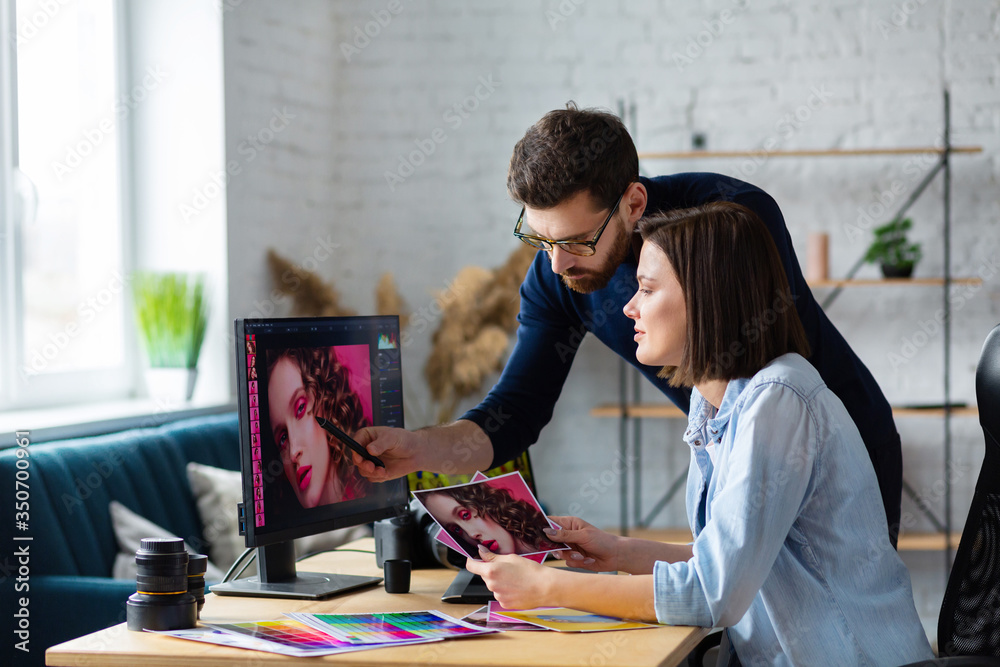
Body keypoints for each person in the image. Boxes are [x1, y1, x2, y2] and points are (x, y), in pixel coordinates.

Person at [352, 103, 903, 545]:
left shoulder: (728, 223)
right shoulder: (556, 278)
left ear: (634, 202)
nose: (557, 263)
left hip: (842, 450)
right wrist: (417, 449)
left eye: (575, 241)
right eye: (541, 240)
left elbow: (758, 380)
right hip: (735, 466)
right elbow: (513, 413)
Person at [466, 203, 933, 665]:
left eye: (646, 290)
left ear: (707, 296)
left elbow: (714, 594)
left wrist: (549, 587)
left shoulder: (779, 399)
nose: (628, 307)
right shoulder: (716, 401)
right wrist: (617, 552)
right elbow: (729, 558)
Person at [266, 346, 372, 508]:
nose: (293, 452)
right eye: (283, 438)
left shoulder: (372, 500)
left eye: (300, 409)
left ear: (325, 398)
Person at [418, 483, 562, 557]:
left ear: (486, 504)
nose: (471, 534)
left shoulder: (560, 552)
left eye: (465, 515)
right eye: (456, 529)